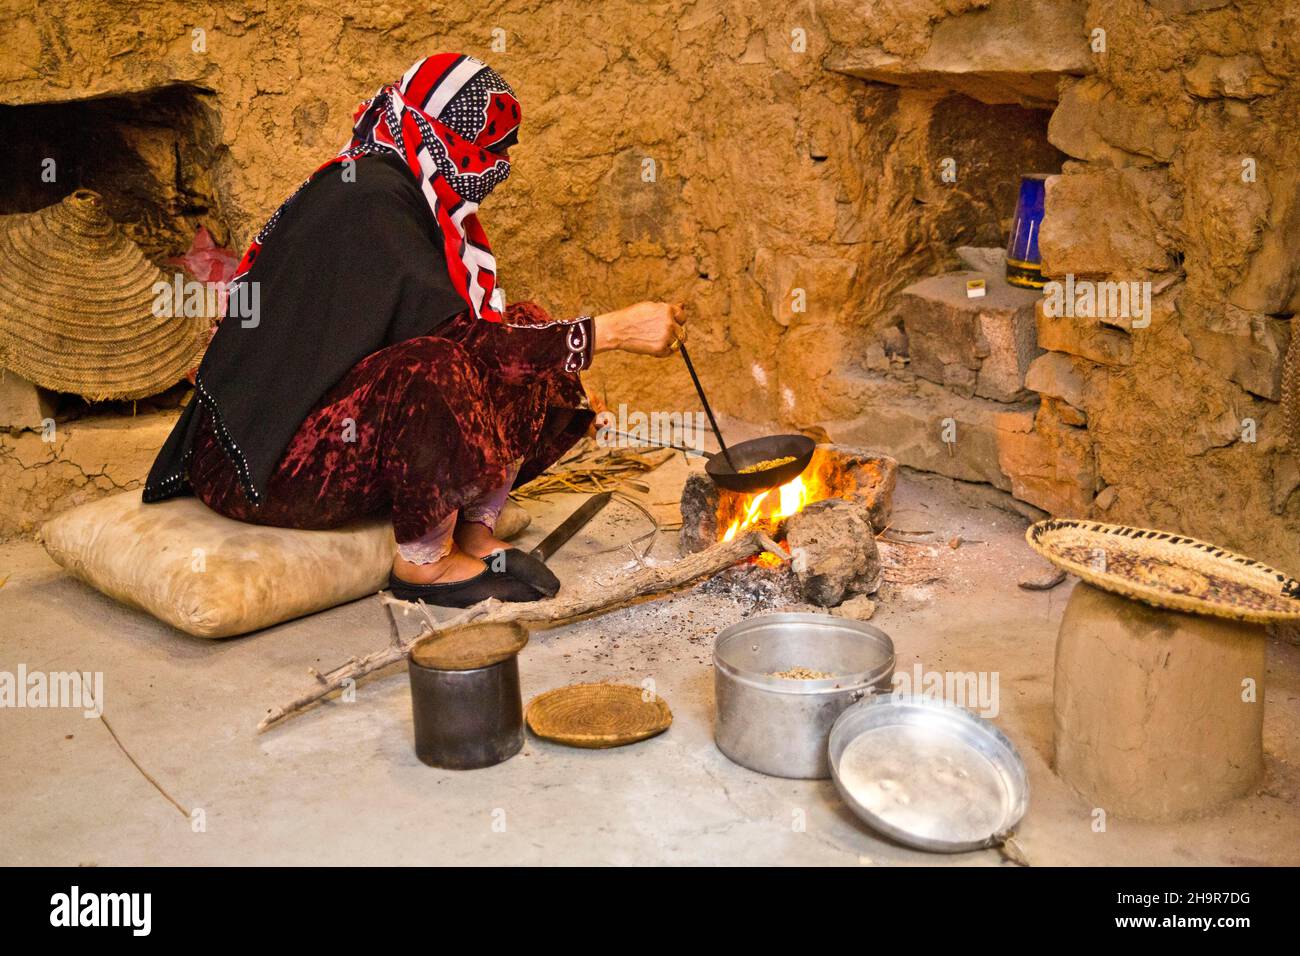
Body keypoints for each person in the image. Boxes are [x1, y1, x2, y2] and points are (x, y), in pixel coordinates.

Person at [144, 53, 685, 607]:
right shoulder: (370, 198)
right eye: (488, 148)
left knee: (522, 324)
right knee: (436, 366)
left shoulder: (407, 187)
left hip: (321, 425)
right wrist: (611, 332)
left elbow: (480, 337)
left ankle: (474, 530)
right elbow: (465, 347)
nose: (497, 165)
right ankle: (424, 564)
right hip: (257, 462)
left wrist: (567, 342)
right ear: (438, 134)